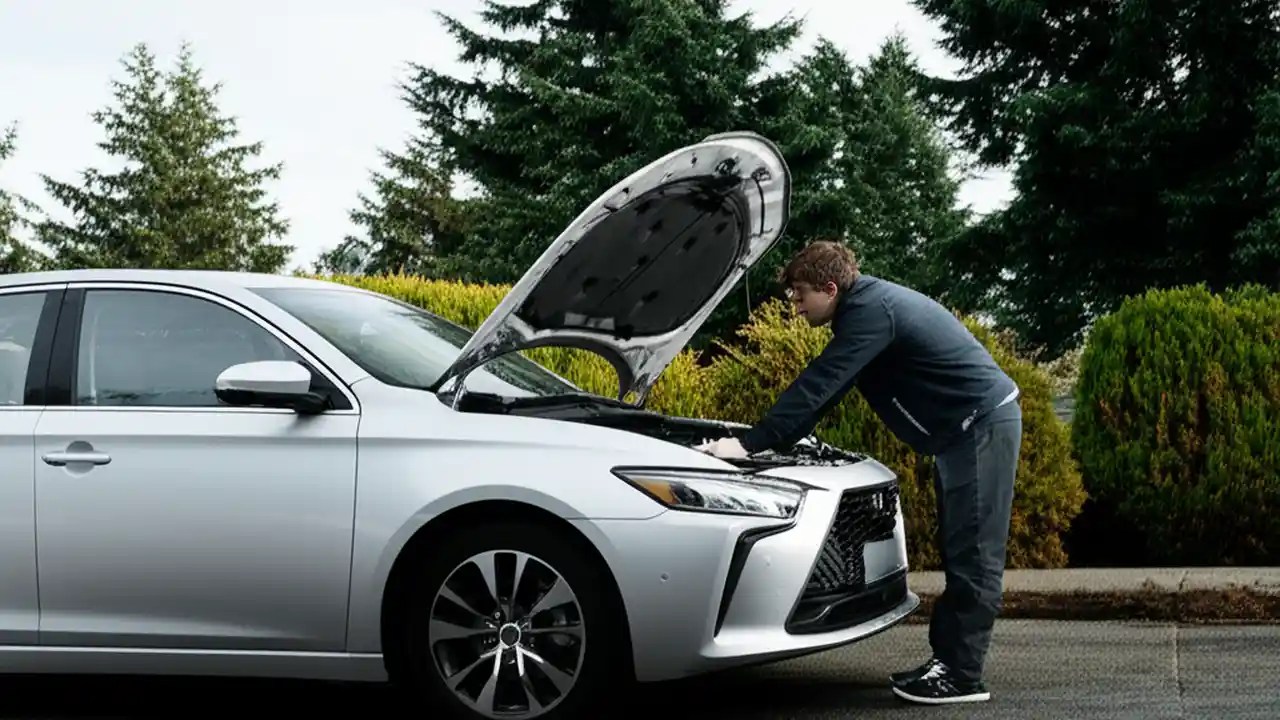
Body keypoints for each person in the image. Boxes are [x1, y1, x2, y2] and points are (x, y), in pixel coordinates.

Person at [697, 239, 1022, 705]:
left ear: (830, 288)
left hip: (979, 426)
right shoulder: (867, 307)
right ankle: (948, 664)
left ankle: (961, 676)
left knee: (973, 553)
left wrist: (750, 442)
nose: (795, 304)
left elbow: (823, 382)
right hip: (966, 431)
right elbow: (834, 386)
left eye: (800, 293)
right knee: (961, 548)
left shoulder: (871, 312)